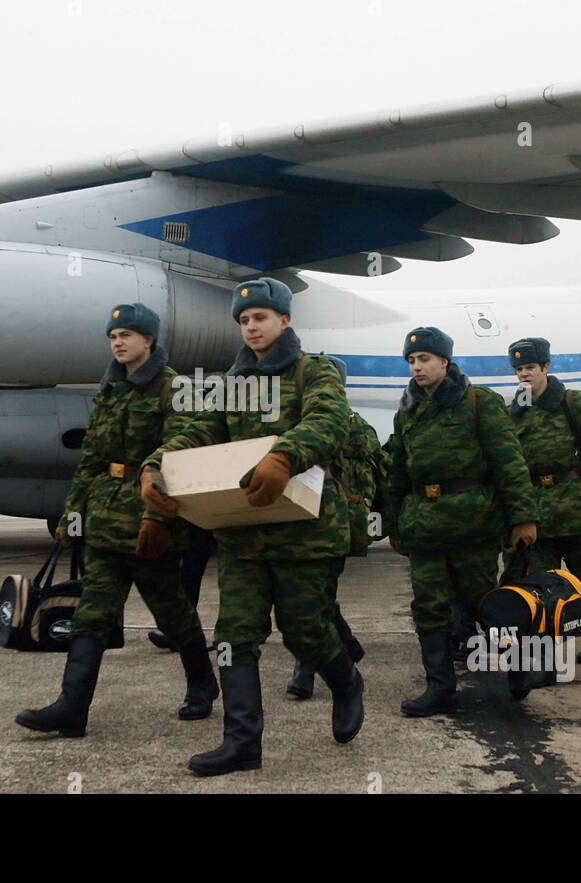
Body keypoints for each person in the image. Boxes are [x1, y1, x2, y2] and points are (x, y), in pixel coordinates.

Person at [141, 276, 365, 776]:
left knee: (305, 631)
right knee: (234, 634)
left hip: (304, 532)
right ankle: (242, 742)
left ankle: (346, 681)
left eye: (260, 318)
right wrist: (156, 465)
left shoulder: (316, 371)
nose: (251, 328)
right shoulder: (233, 385)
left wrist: (285, 454)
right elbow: (199, 431)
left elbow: (330, 422)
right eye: (243, 321)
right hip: (243, 533)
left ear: (284, 321)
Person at [15, 303, 218, 737]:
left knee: (173, 614)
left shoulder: (174, 388)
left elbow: (182, 455)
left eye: (127, 334)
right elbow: (92, 459)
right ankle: (72, 708)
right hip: (106, 522)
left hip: (149, 526)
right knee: (92, 615)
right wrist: (73, 513)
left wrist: (159, 519)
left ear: (149, 340)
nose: (118, 342)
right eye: (113, 336)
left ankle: (202, 683)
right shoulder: (110, 387)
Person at [384, 327, 538, 715]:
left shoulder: (478, 402)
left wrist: (523, 517)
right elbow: (398, 473)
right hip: (425, 525)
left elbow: (509, 462)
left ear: (444, 362)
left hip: (473, 522)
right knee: (429, 607)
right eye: (412, 361)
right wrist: (393, 524)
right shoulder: (407, 411)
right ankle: (440, 687)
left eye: (424, 360)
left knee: (486, 603)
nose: (417, 368)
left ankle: (519, 666)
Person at [506, 338, 581, 679]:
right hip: (536, 515)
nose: (524, 374)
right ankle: (546, 664)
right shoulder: (514, 410)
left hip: (576, 510)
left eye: (530, 367)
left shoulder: (574, 404)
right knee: (541, 593)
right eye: (518, 369)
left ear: (546, 367)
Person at [286, 355, 380, 700]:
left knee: (316, 597)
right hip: (298, 519)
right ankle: (349, 646)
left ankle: (305, 671)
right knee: (317, 597)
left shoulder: (352, 425)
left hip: (333, 521)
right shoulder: (298, 423)